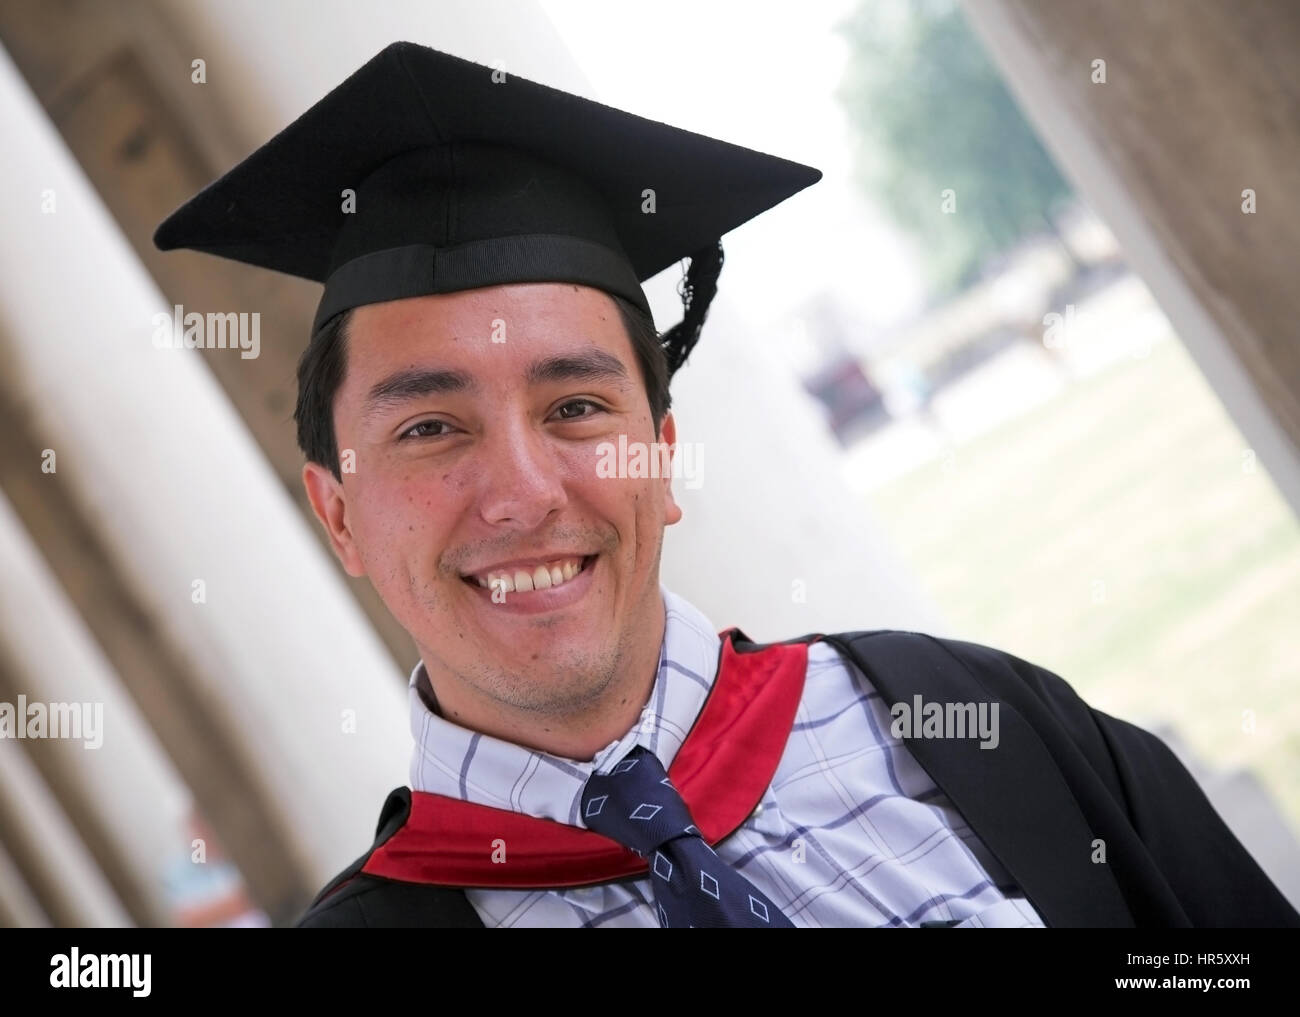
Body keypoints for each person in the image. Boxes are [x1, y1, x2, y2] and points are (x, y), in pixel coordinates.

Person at [154, 41, 1298, 929]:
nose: (520, 492)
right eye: (433, 428)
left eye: (574, 409)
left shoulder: (980, 721)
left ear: (661, 456)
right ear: (340, 514)